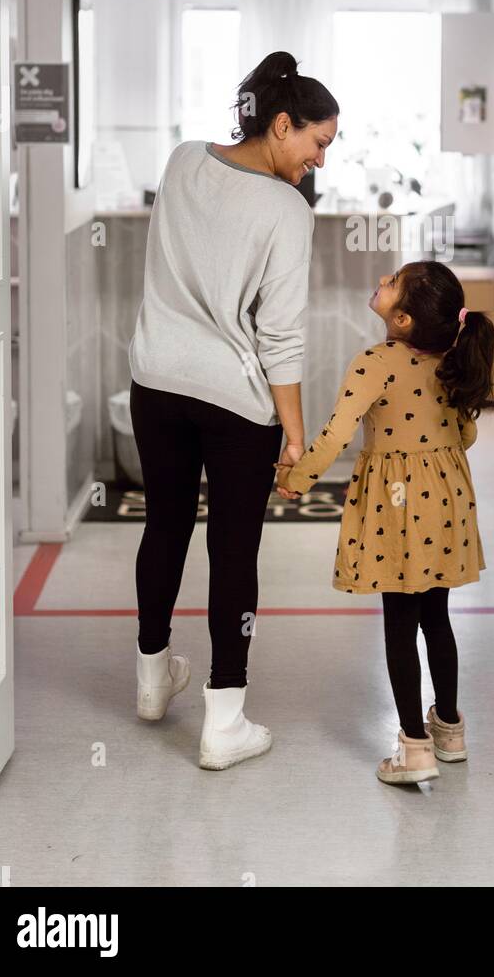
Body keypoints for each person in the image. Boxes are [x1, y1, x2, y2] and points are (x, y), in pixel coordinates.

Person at [128, 50, 338, 770]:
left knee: (165, 524)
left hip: (156, 379)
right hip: (232, 398)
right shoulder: (286, 208)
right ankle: (225, 721)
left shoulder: (183, 159)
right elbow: (280, 332)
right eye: (317, 143)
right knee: (233, 548)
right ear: (283, 125)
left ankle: (153, 682)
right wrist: (297, 434)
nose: (318, 161)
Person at [276, 260, 494, 785]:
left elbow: (336, 434)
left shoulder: (373, 363)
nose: (380, 279)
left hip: (395, 507)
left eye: (392, 281)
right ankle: (449, 729)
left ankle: (413, 750)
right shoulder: (453, 361)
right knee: (436, 618)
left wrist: (298, 478)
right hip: (447, 498)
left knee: (400, 624)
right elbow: (466, 437)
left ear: (402, 321)